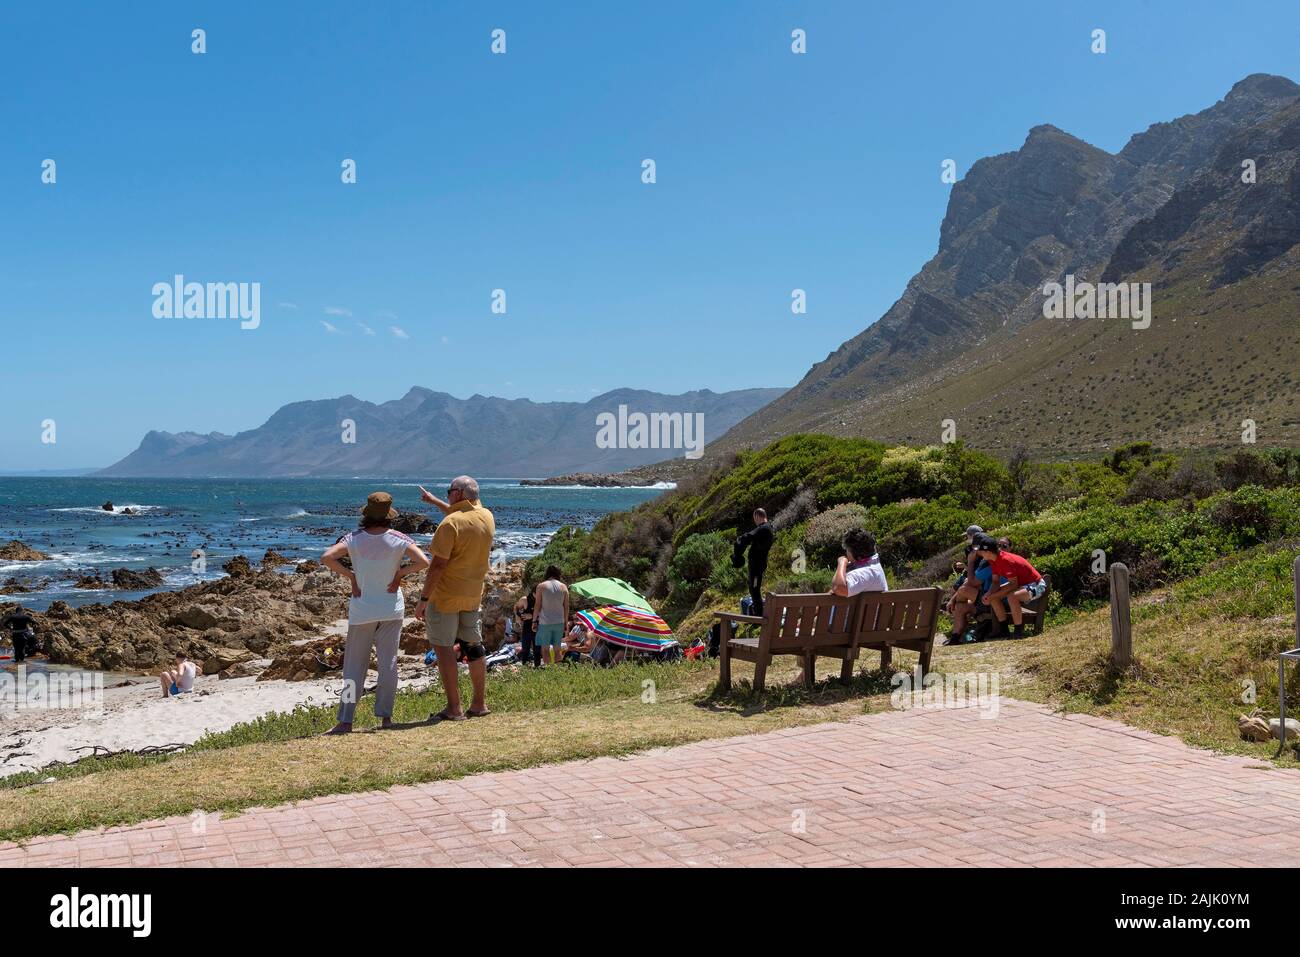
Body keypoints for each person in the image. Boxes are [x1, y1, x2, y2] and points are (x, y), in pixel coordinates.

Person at [322, 492, 430, 733]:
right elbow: (424, 562)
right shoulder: (400, 539)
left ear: (366, 514)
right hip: (391, 608)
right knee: (388, 664)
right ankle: (386, 717)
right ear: (389, 515)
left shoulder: (354, 538)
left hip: (362, 610)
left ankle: (346, 720)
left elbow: (327, 557)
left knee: (353, 668)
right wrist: (400, 574)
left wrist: (351, 576)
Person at [415, 476, 496, 721]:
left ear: (458, 493)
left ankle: (454, 708)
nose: (448, 494)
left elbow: (437, 566)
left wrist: (423, 598)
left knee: (444, 650)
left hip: (445, 597)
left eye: (449, 491)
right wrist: (434, 501)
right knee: (474, 647)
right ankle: (479, 703)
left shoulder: (450, 524)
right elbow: (459, 513)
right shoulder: (486, 516)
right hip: (472, 595)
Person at [972, 535, 1046, 638]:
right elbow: (995, 582)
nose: (979, 553)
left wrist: (993, 596)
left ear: (988, 552)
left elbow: (1013, 585)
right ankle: (1003, 630)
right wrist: (989, 594)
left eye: (981, 551)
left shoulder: (1006, 560)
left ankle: (1018, 631)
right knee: (993, 596)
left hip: (1037, 585)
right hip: (1021, 585)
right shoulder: (993, 560)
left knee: (1012, 597)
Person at [733, 508, 774, 616]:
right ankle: (758, 612)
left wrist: (738, 548)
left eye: (754, 518)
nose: (754, 521)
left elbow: (747, 537)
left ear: (757, 516)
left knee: (754, 589)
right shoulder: (767, 528)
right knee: (754, 588)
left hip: (757, 567)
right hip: (758, 565)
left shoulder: (763, 529)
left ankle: (759, 615)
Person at [831, 528, 889, 596]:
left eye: (847, 549)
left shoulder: (865, 573)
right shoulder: (875, 567)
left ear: (857, 556)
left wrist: (842, 563)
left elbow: (839, 588)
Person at [532, 565, 570, 666]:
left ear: (547, 573)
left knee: (545, 649)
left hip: (545, 622)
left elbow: (537, 605)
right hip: (560, 622)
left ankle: (549, 670)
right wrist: (566, 623)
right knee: (557, 649)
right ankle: (557, 671)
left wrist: (534, 620)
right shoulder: (564, 587)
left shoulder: (541, 586)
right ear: (558, 574)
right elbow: (566, 607)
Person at [513, 590, 539, 667]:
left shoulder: (542, 600)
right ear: (533, 592)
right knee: (525, 647)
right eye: (537, 593)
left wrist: (531, 616)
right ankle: (525, 666)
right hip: (527, 625)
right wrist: (517, 616)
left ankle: (537, 666)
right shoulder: (525, 599)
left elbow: (545, 614)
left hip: (538, 625)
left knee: (537, 647)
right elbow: (516, 607)